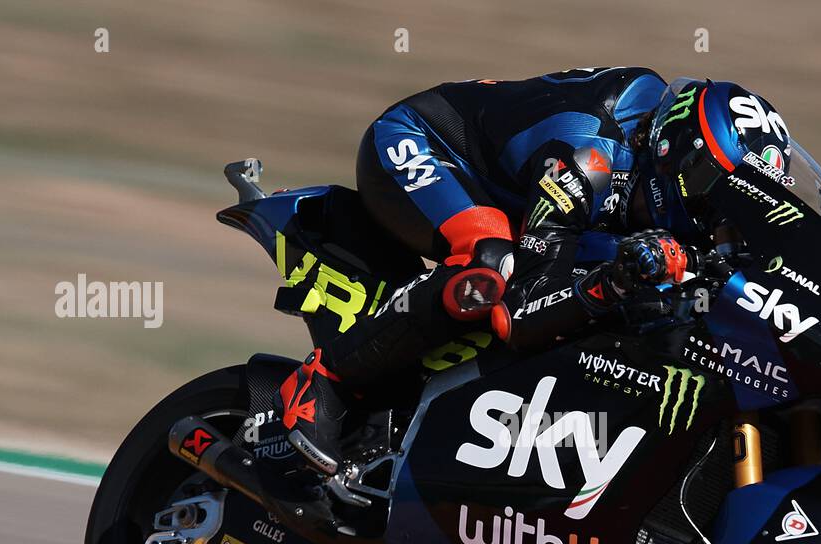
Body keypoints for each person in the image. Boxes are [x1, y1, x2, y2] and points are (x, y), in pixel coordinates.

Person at [275, 66, 792, 477]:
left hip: (529, 202)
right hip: (419, 144)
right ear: (674, 153)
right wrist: (611, 283)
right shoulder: (590, 156)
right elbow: (521, 307)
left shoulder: (668, 185)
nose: (718, 218)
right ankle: (326, 380)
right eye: (714, 193)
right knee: (492, 262)